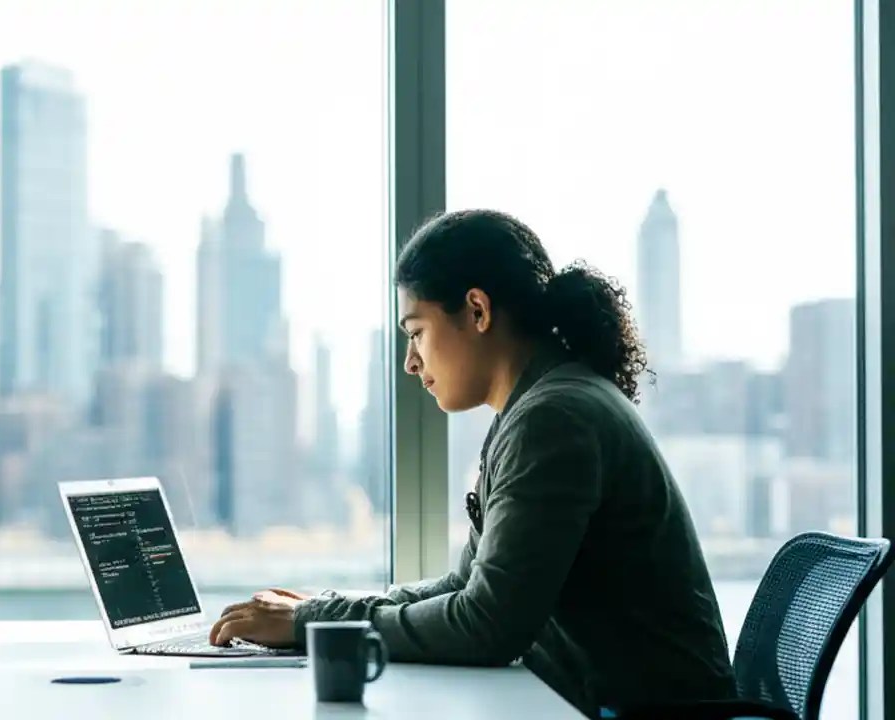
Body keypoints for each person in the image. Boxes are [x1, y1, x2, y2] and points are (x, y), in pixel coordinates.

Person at [208, 210, 737, 717]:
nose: (411, 362)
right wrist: (325, 612)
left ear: (478, 311)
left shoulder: (553, 419)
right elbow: (466, 587)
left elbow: (486, 625)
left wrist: (308, 623)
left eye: (416, 332)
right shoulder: (539, 405)